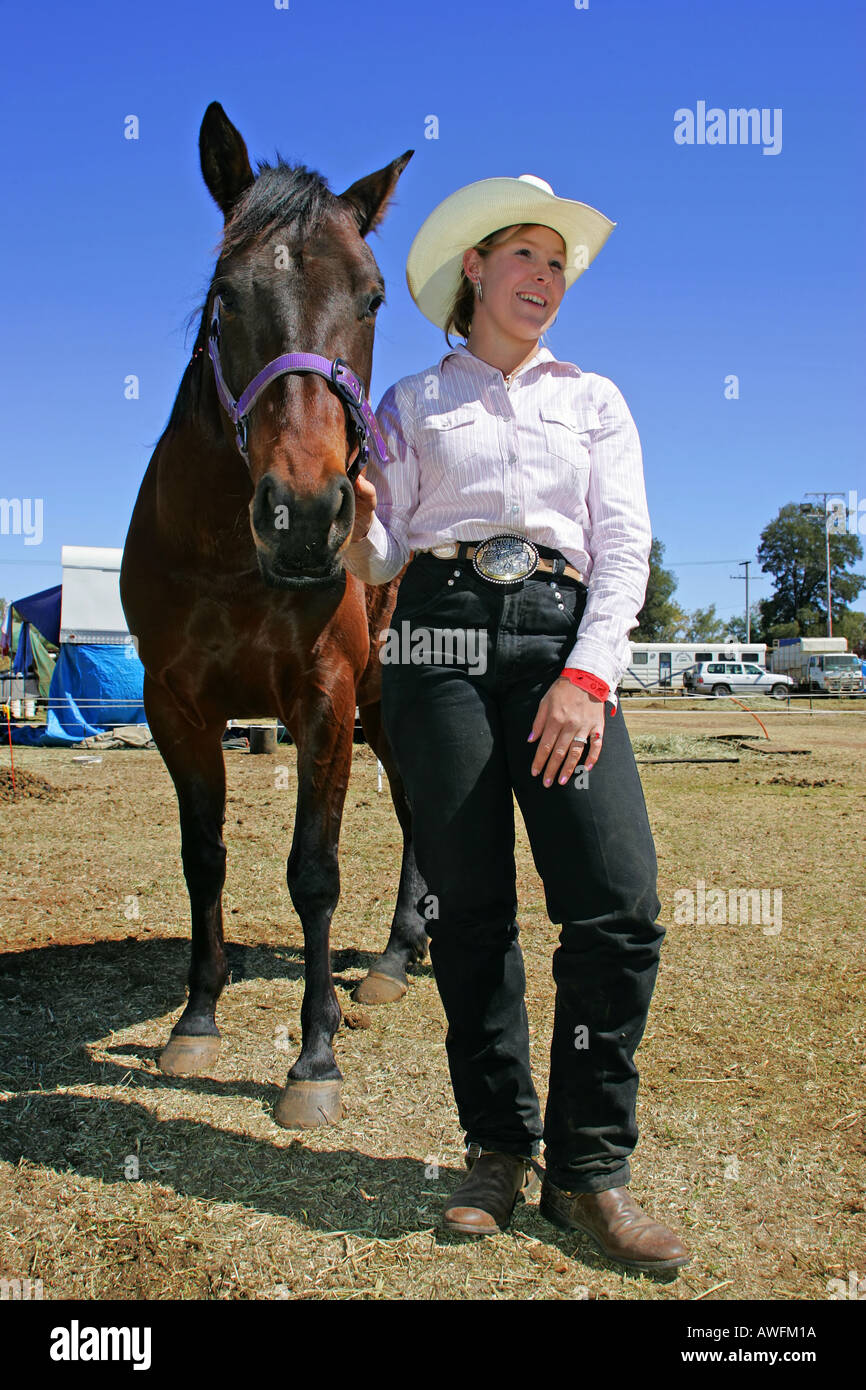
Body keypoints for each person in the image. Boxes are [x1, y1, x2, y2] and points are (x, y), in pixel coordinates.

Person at [342, 174, 690, 1274]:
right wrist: (357, 526)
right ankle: (495, 1148)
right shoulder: (406, 404)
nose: (545, 278)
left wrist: (584, 680)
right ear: (475, 272)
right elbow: (385, 556)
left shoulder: (594, 400)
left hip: (555, 634)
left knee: (616, 906)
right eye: (526, 257)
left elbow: (622, 551)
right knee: (470, 914)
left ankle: (587, 1172)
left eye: (557, 263)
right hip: (435, 646)